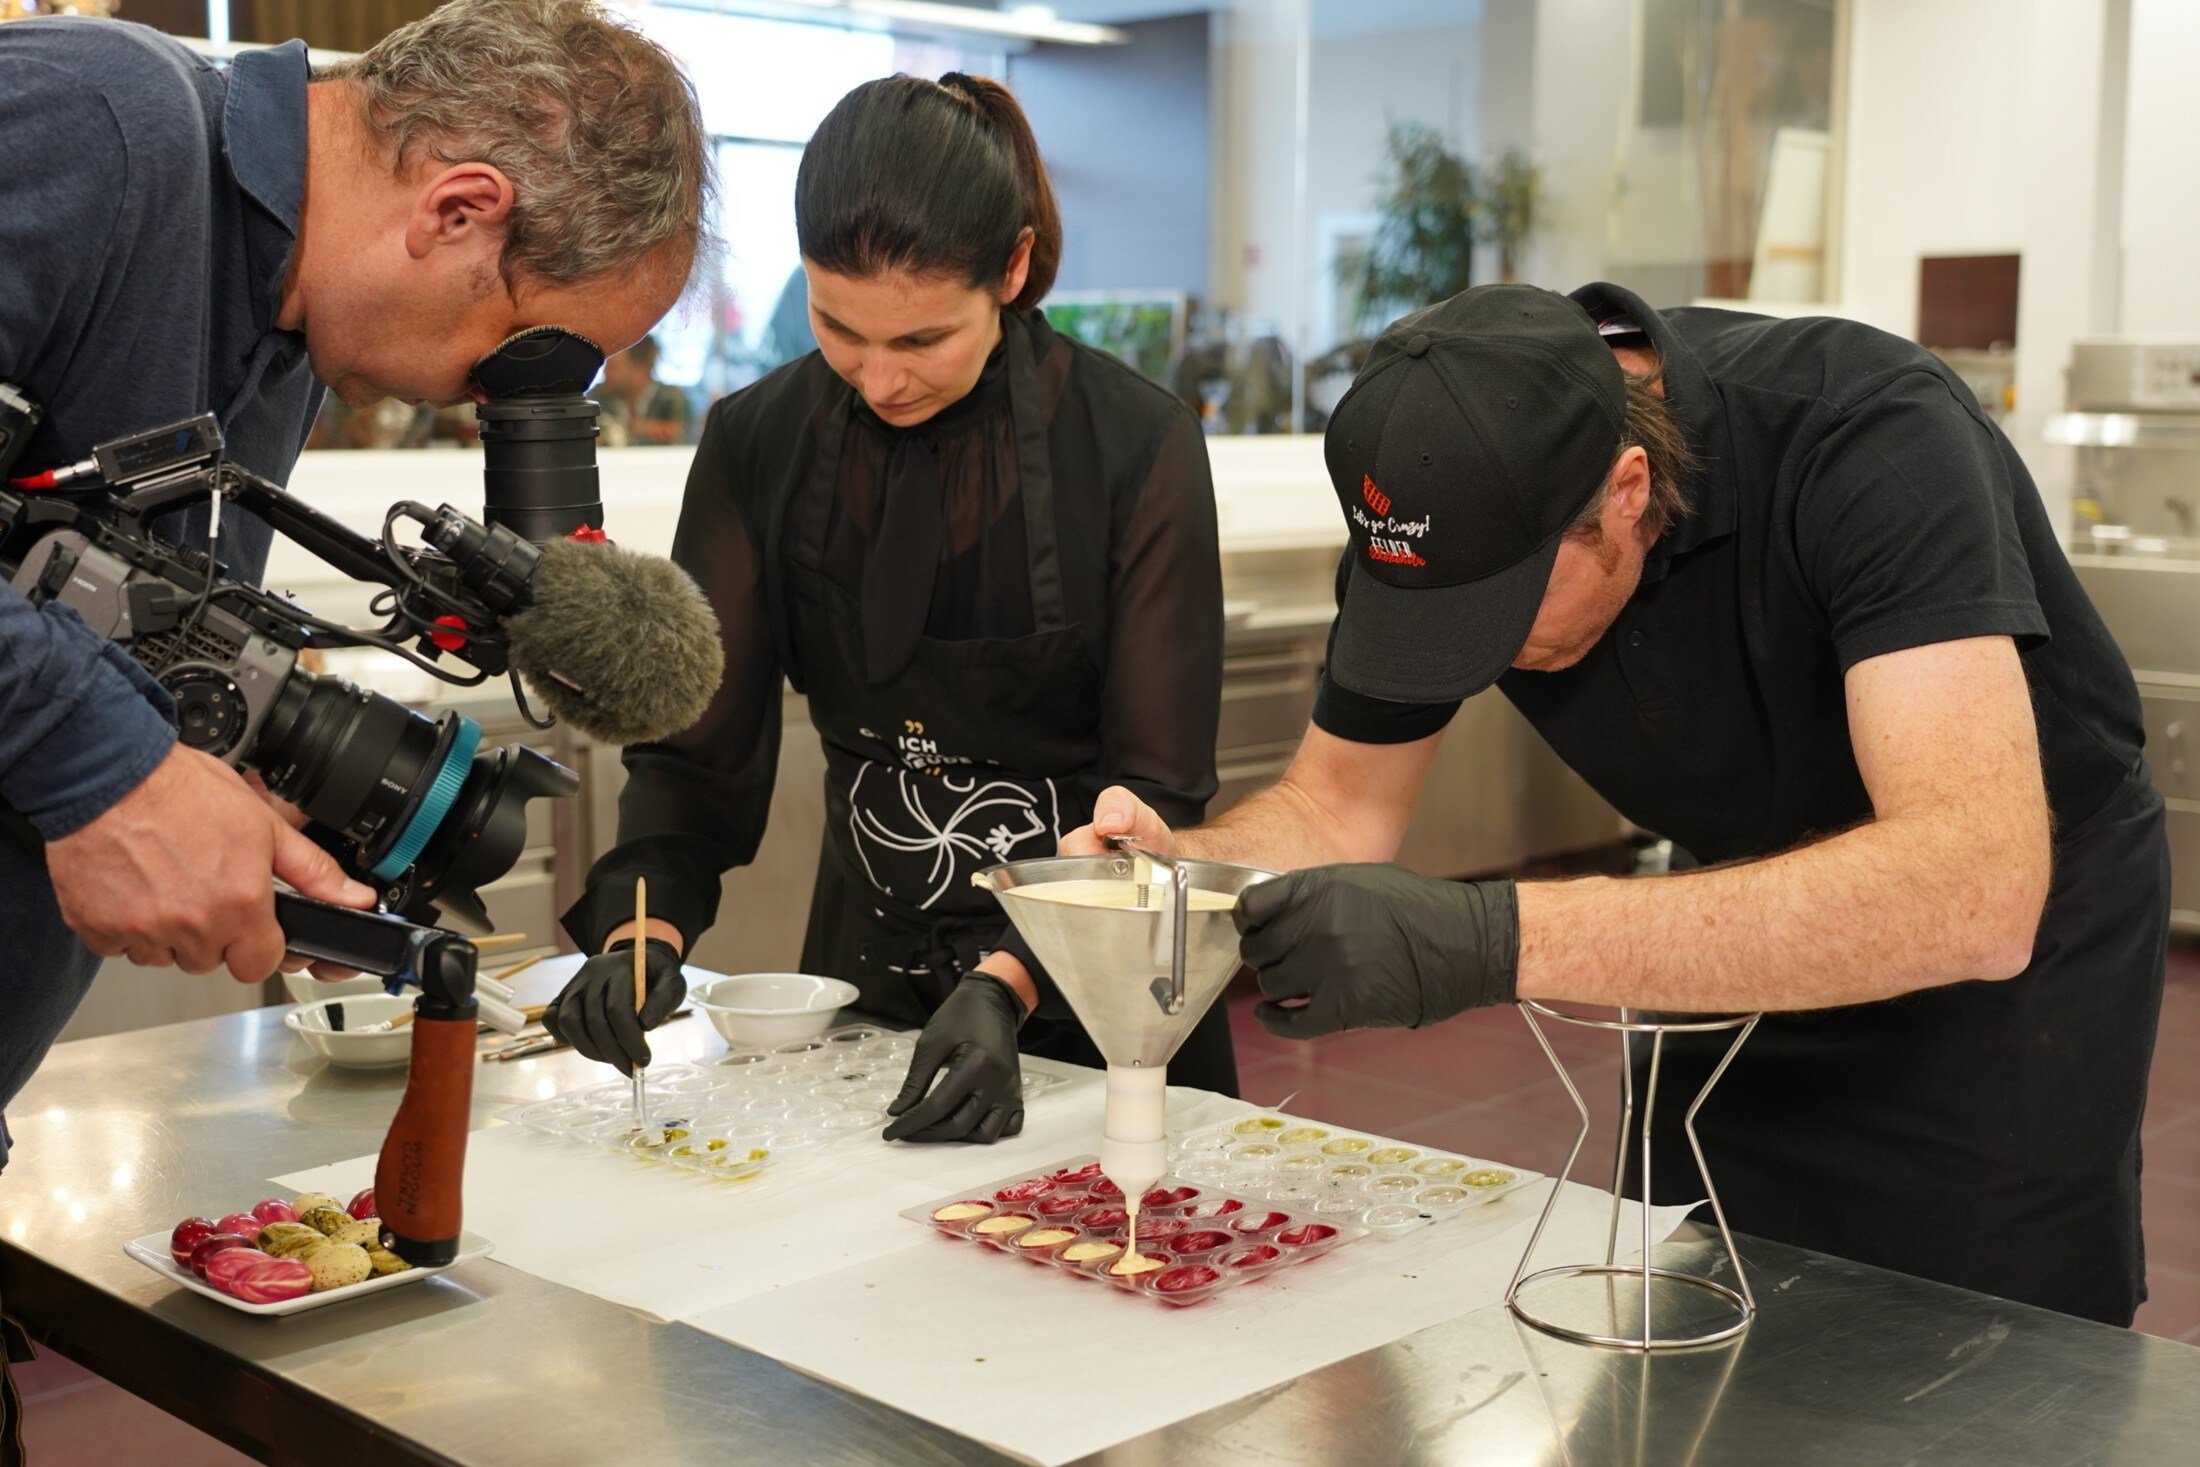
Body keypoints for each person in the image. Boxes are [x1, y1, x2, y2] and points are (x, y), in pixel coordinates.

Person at [1067, 282, 2167, 1327]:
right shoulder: (1436, 514)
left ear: (1627, 490)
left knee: (1975, 1343)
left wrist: (1493, 938)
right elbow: (1335, 808)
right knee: (1690, 1284)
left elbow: (1971, 888)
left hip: (2003, 951)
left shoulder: (1867, 438)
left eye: (1503, 611)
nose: (1484, 655)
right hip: (1736, 899)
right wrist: (1175, 871)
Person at [0, 0, 707, 1161]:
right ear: (458, 209)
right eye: (528, 355)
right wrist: (101, 765)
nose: (491, 401)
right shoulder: (98, 123)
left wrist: (245, 795)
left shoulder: (293, 339)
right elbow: (83, 740)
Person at [544, 73, 1232, 1143]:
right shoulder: (757, 442)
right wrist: (644, 933)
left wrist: (1005, 982)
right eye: (838, 327)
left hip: (1103, 989)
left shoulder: (1135, 446)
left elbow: (1155, 791)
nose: (877, 379)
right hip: (863, 991)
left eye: (921, 341)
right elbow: (695, 759)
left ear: (1011, 269)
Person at [595, 334, 694, 445]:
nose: (605, 373)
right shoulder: (595, 398)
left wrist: (619, 429)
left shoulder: (673, 398)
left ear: (641, 371)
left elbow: (684, 441)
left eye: (613, 368)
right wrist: (642, 429)